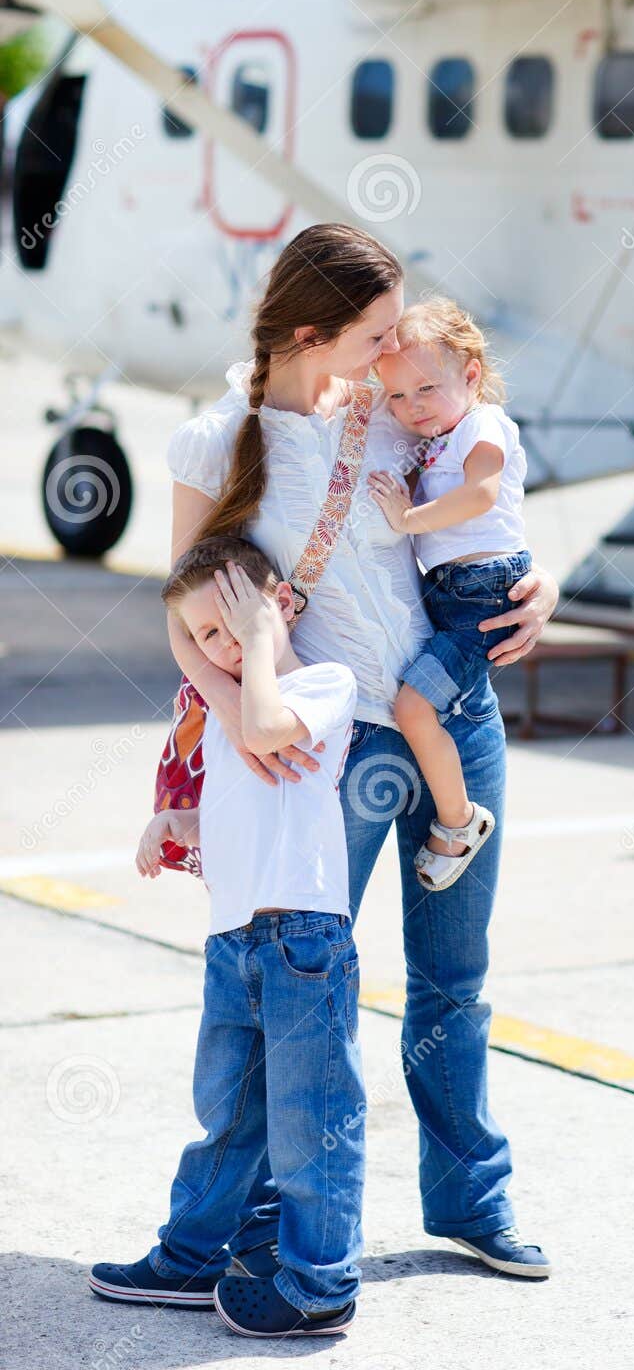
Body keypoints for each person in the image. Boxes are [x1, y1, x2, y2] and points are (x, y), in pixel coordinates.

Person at [166, 223, 556, 1278]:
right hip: (335, 749)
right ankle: (251, 1218)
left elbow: (479, 515)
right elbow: (183, 606)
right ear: (314, 331)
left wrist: (538, 588)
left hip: (454, 713)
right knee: (298, 989)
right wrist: (238, 718)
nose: (393, 354)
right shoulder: (219, 440)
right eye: (376, 333)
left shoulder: (393, 416)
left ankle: (472, 1202)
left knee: (453, 983)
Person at [90, 537, 362, 1338]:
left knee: (309, 1118)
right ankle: (193, 1253)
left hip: (302, 937)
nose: (223, 645)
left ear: (279, 607)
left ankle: (320, 1280)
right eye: (205, 635)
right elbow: (246, 795)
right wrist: (181, 818)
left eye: (237, 620)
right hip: (233, 938)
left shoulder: (321, 682)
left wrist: (254, 643)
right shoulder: (225, 708)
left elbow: (271, 730)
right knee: (228, 1114)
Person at [368, 297, 530, 894]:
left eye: (426, 390)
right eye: (398, 396)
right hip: (455, 592)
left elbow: (481, 496)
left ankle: (459, 820)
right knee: (419, 705)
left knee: (412, 708)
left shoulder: (484, 425)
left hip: (480, 592)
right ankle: (455, 808)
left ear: (471, 375)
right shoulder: (439, 436)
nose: (412, 408)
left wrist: (407, 518)